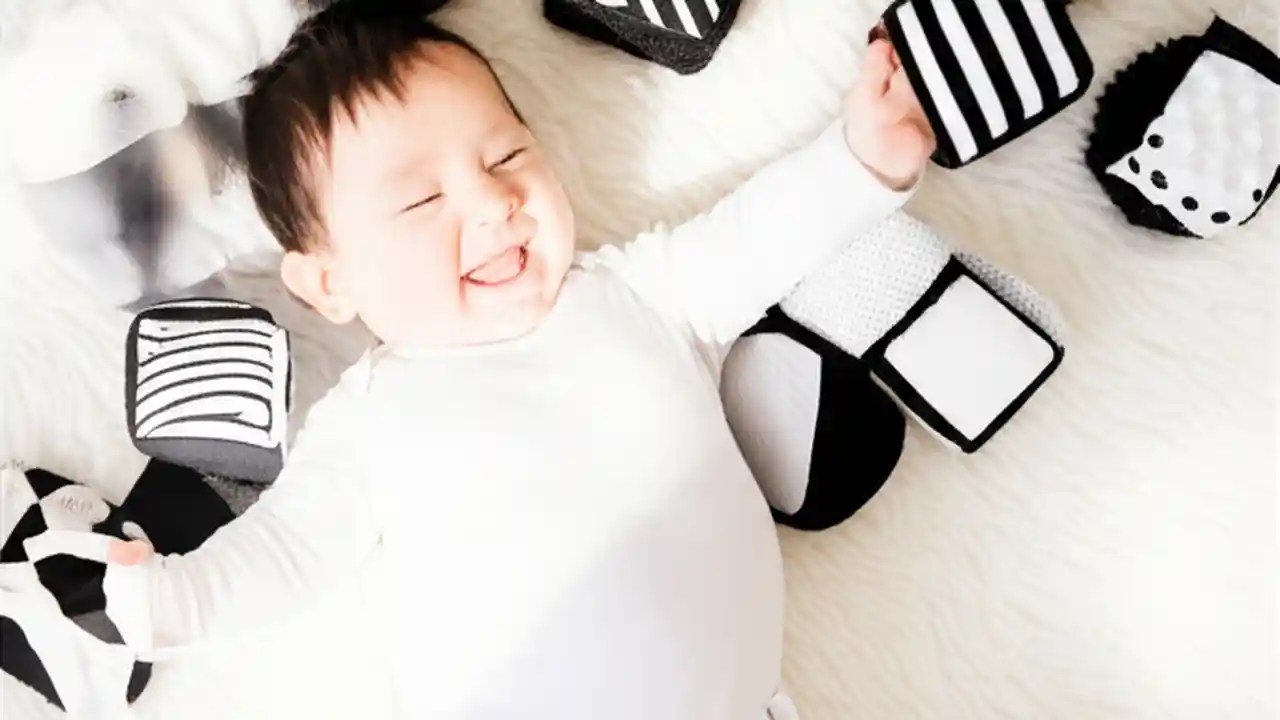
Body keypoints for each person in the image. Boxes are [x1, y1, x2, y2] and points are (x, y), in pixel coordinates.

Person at [109, 3, 935, 717]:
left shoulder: (641, 296)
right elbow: (288, 553)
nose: (494, 203)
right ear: (330, 282)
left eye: (506, 157)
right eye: (423, 200)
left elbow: (758, 237)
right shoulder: (371, 421)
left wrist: (862, 160)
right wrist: (173, 601)